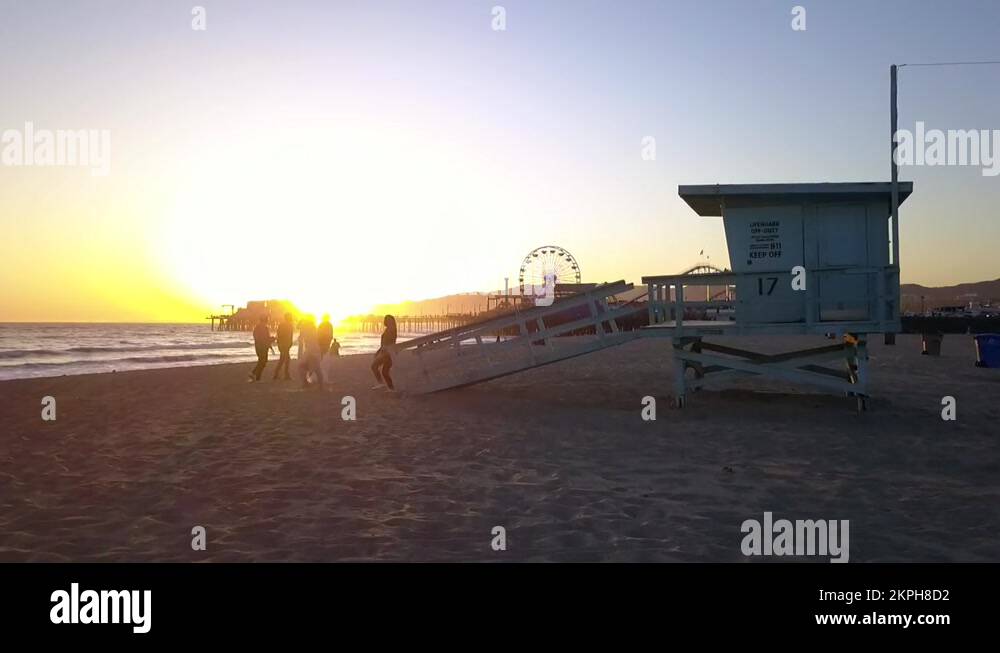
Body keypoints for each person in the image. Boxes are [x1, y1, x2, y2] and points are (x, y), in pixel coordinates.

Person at [370, 314, 397, 391]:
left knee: (374, 366)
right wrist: (378, 351)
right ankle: (391, 388)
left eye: (388, 320)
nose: (386, 321)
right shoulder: (389, 329)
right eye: (386, 320)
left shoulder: (391, 330)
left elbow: (390, 343)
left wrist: (383, 351)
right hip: (385, 352)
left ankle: (381, 384)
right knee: (385, 372)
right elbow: (384, 344)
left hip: (387, 353)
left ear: (391, 321)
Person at [297, 314, 324, 389]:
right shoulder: (314, 327)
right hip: (314, 349)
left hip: (311, 350)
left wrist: (301, 321)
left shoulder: (306, 327)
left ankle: (307, 383)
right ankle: (319, 385)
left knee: (304, 366)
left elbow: (298, 328)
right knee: (316, 368)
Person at [249, 315, 273, 382]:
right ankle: (253, 373)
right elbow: (266, 338)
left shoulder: (256, 328)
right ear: (265, 320)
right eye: (266, 320)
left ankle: (257, 377)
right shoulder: (265, 328)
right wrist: (272, 339)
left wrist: (269, 342)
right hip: (263, 347)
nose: (267, 322)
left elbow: (256, 338)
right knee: (263, 361)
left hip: (258, 347)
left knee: (261, 361)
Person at [272, 312, 294, 380]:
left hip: (282, 344)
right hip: (285, 344)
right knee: (286, 359)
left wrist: (279, 342)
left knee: (283, 359)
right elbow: (289, 336)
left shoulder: (281, 325)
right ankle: (284, 375)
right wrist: (290, 343)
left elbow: (279, 334)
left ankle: (277, 374)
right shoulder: (289, 325)